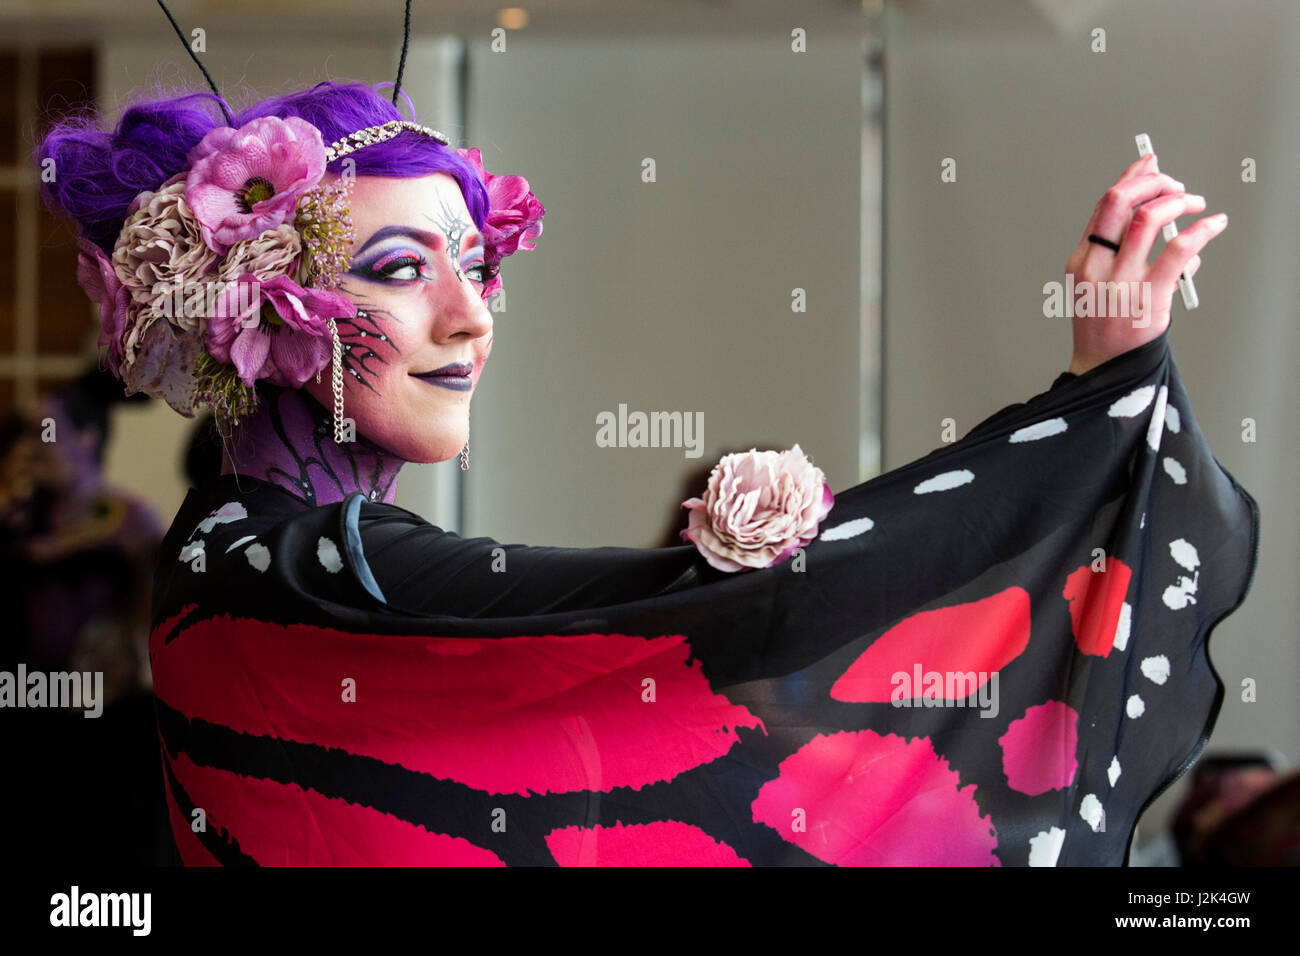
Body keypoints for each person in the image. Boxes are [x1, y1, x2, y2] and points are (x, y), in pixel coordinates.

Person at [35, 64, 1258, 866]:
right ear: (259, 304)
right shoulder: (293, 574)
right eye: (401, 270)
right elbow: (687, 626)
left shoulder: (242, 551)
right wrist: (1094, 408)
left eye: (477, 264)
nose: (472, 315)